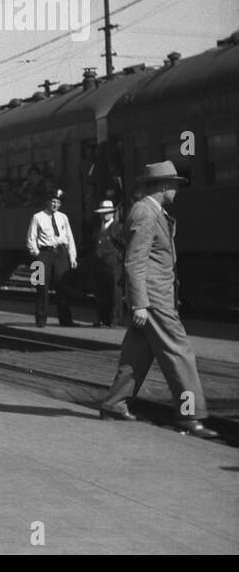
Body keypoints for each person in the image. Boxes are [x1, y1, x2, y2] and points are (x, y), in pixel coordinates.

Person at [99, 163, 217, 438]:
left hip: (155, 296)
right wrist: (139, 303)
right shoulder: (144, 212)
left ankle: (114, 404)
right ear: (163, 186)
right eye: (175, 184)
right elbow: (134, 261)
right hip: (154, 299)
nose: (177, 190)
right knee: (180, 354)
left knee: (136, 356)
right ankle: (190, 416)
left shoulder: (153, 211)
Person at [26, 189, 78, 327]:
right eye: (53, 201)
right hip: (44, 254)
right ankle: (41, 320)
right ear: (48, 202)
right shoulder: (38, 217)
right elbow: (31, 237)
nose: (55, 204)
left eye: (58, 202)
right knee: (41, 286)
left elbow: (70, 237)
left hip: (61, 254)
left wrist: (72, 256)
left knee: (63, 286)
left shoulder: (63, 217)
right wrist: (37, 254)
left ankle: (65, 320)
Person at [91, 199, 124, 327]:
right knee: (101, 292)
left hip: (114, 264)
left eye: (107, 212)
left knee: (115, 291)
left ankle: (115, 319)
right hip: (100, 265)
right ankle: (103, 318)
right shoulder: (97, 228)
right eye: (102, 213)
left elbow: (123, 245)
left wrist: (120, 259)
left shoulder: (118, 227)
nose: (104, 215)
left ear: (112, 213)